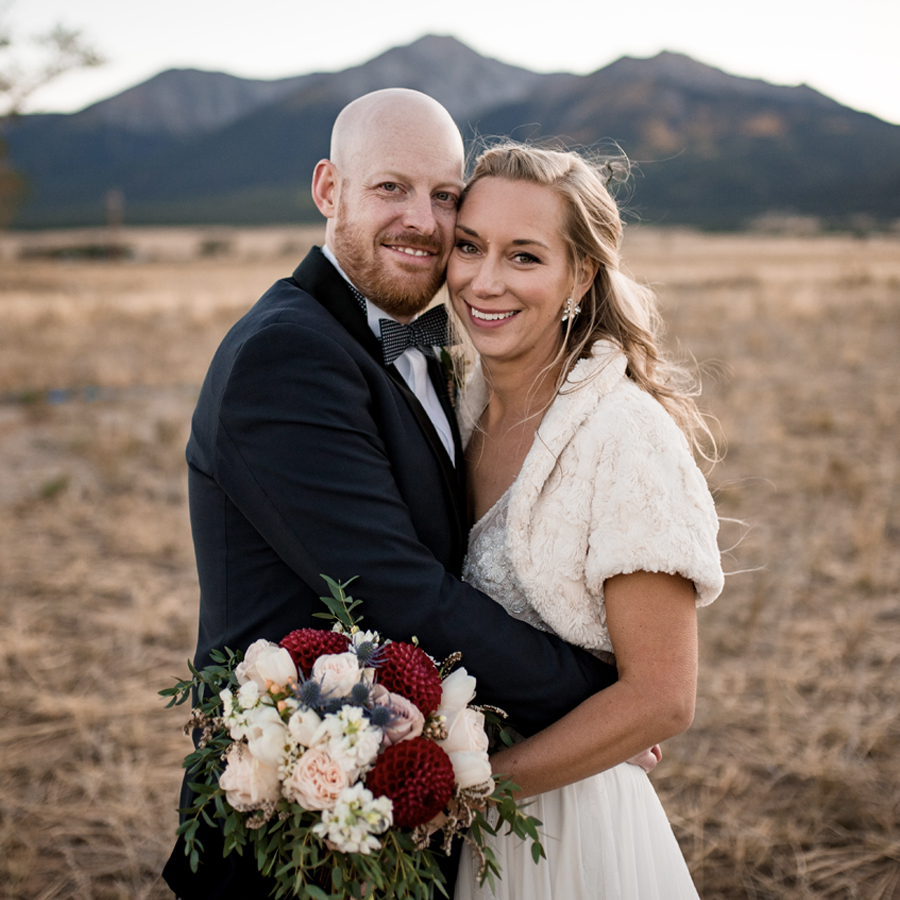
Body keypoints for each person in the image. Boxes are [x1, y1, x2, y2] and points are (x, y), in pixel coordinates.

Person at [162, 91, 621, 899]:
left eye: (445, 196)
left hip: (391, 806)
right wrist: (603, 701)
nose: (423, 220)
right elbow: (399, 591)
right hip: (291, 832)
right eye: (390, 189)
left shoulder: (402, 338)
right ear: (328, 190)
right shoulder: (288, 358)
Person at [446, 144, 724, 899]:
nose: (484, 280)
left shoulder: (623, 434)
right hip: (454, 837)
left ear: (581, 276)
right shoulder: (452, 408)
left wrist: (463, 792)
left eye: (524, 256)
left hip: (566, 829)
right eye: (468, 246)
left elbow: (662, 697)